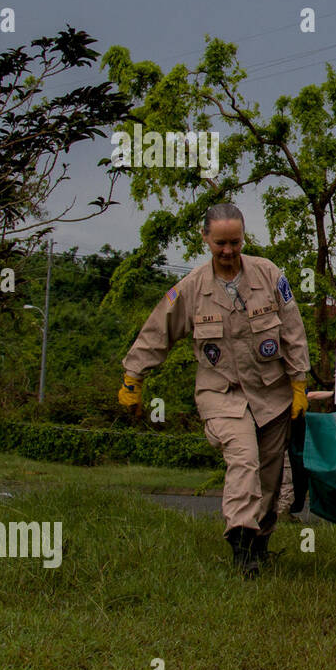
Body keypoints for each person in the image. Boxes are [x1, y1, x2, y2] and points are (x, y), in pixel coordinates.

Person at [119, 203, 311, 577]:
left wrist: (299, 380)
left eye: (235, 242)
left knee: (270, 478)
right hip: (221, 393)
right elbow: (157, 332)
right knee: (244, 458)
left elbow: (292, 329)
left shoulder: (268, 274)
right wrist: (133, 378)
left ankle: (259, 544)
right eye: (220, 242)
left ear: (244, 238)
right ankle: (240, 546)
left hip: (271, 394)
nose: (228, 251)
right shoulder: (191, 289)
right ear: (205, 238)